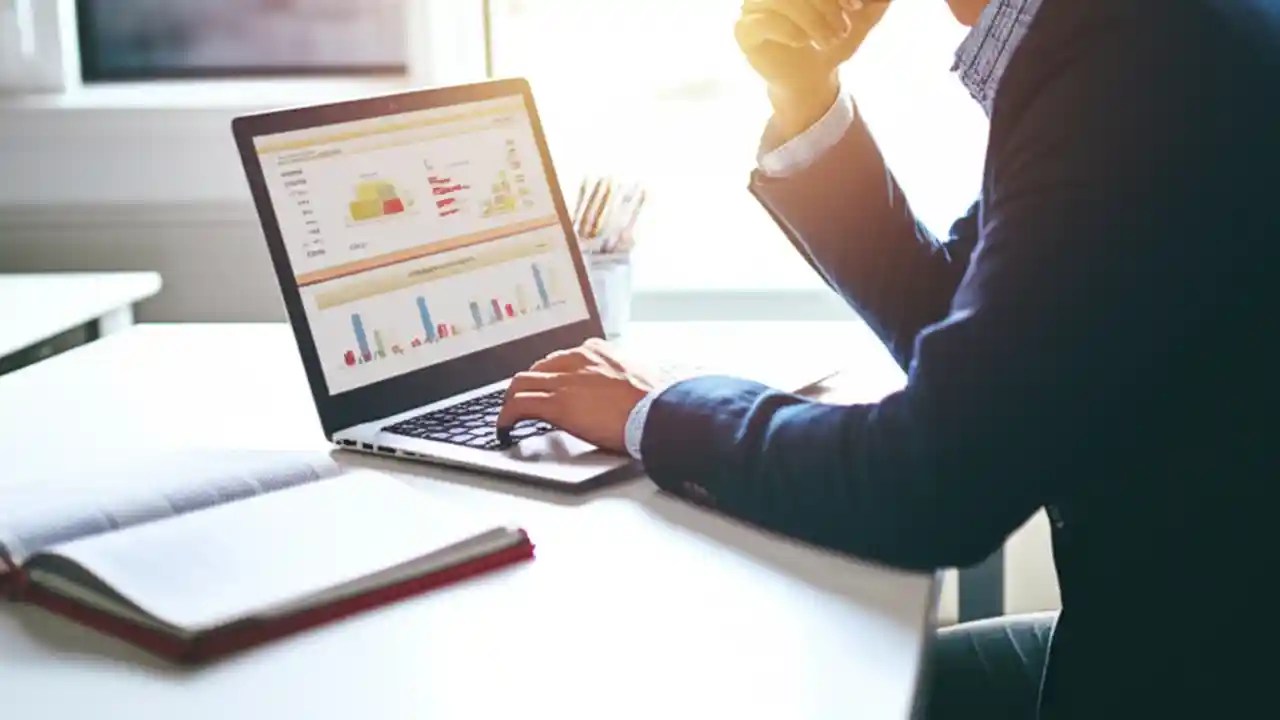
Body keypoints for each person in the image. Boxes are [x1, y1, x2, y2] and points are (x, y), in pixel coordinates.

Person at [498, 0, 1279, 717]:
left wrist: (658, 412)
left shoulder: (1129, 58)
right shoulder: (1131, 34)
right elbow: (969, 327)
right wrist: (807, 102)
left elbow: (936, 481)